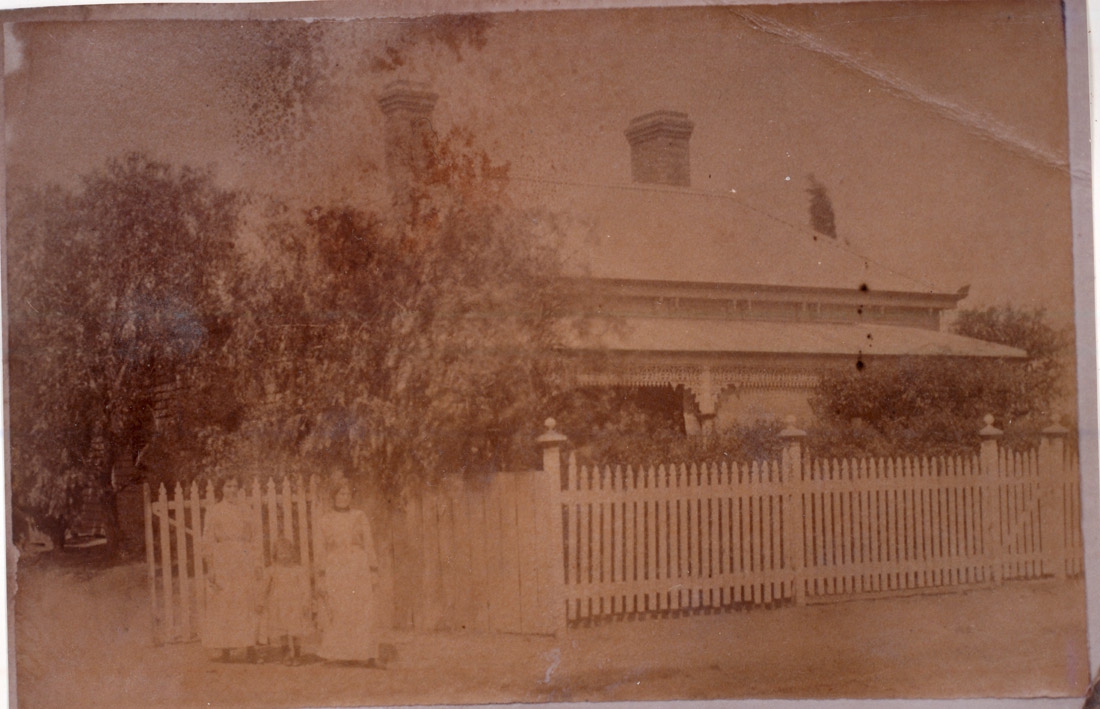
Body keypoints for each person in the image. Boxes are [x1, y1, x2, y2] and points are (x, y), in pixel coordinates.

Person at [316, 480, 381, 666]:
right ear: (334, 497)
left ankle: (367, 654)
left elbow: (368, 542)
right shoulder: (326, 519)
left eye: (347, 494)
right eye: (340, 494)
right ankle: (339, 654)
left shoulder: (359, 516)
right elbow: (321, 548)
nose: (344, 498)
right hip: (335, 565)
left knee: (362, 608)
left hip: (357, 564)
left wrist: (373, 569)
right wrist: (321, 574)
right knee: (339, 608)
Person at [201, 477, 259, 661]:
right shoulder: (214, 511)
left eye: (235, 486)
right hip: (222, 559)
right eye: (228, 486)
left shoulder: (246, 510)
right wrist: (210, 567)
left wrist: (256, 562)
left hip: (243, 557)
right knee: (224, 601)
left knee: (245, 600)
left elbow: (255, 537)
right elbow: (208, 540)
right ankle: (224, 648)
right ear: (222, 489)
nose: (232, 490)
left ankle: (249, 647)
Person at [258, 537, 313, 665]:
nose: (284, 556)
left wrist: (305, 603)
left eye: (287, 553)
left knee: (296, 630)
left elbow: (306, 588)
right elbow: (263, 588)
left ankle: (297, 654)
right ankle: (286, 654)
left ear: (292, 553)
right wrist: (260, 602)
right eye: (281, 554)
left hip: (295, 605)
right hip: (278, 605)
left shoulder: (298, 570)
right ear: (275, 555)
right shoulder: (271, 570)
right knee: (282, 630)